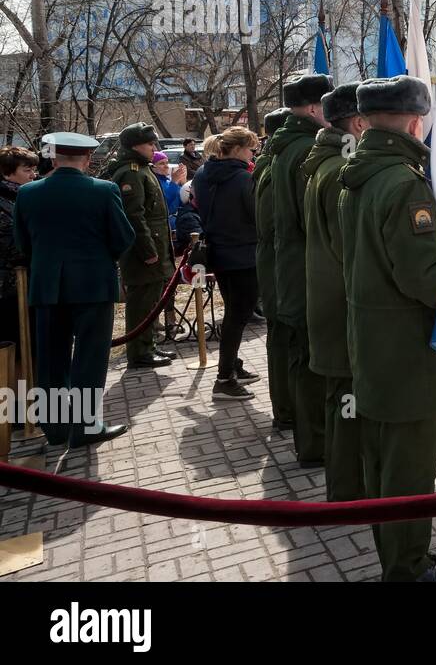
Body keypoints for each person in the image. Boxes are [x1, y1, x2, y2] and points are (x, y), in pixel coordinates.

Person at [338, 75, 436, 582]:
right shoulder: (404, 183)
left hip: (372, 347)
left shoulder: (359, 175)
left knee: (383, 463)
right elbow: (424, 280)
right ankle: (406, 569)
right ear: (416, 121)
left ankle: (403, 546)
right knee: (410, 467)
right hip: (406, 354)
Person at [14, 133, 135, 446]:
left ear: (53, 160)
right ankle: (85, 426)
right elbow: (122, 238)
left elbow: (22, 244)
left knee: (51, 358)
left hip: (46, 286)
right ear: (87, 159)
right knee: (90, 357)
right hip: (93, 285)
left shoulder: (27, 193)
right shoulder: (103, 190)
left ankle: (55, 427)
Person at [303, 82, 367, 500]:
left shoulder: (322, 165)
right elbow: (351, 253)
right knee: (348, 405)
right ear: (358, 123)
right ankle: (348, 493)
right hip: (341, 306)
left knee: (340, 401)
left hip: (325, 302)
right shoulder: (339, 173)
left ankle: (344, 486)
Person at [269, 72, 333, 466]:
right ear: (313, 108)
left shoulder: (286, 144)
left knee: (300, 354)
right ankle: (316, 446)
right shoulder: (306, 149)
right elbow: (312, 220)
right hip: (308, 268)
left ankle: (309, 438)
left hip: (292, 265)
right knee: (313, 360)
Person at [192, 126, 262, 401]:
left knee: (233, 312)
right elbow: (256, 215)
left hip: (219, 253)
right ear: (236, 150)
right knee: (238, 316)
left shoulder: (202, 174)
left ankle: (232, 364)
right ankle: (224, 378)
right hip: (244, 254)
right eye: (249, 149)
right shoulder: (243, 179)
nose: (251, 154)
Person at [102, 123, 176, 369]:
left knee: (151, 297)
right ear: (135, 146)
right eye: (149, 144)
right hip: (143, 251)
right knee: (142, 300)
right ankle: (140, 351)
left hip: (153, 246)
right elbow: (134, 216)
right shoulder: (132, 172)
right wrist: (148, 251)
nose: (154, 148)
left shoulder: (142, 169)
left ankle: (148, 345)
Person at [254, 107, 293, 431]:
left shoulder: (270, 162)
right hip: (277, 266)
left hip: (275, 264)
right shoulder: (272, 167)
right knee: (281, 342)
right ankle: (286, 410)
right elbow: (269, 224)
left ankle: (287, 408)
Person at [0, 146, 38, 354]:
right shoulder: (4, 201)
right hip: (10, 287)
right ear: (7, 172)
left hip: (30, 282)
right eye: (27, 170)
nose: (33, 175)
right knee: (15, 347)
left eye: (33, 169)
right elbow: (12, 245)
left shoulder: (26, 196)